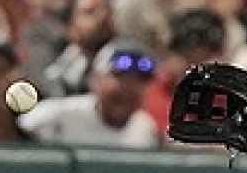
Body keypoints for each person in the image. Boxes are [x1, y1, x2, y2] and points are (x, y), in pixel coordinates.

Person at [18, 38, 160, 148]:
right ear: (94, 79)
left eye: (139, 81)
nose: (128, 88)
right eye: (119, 78)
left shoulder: (145, 129)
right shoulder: (54, 116)